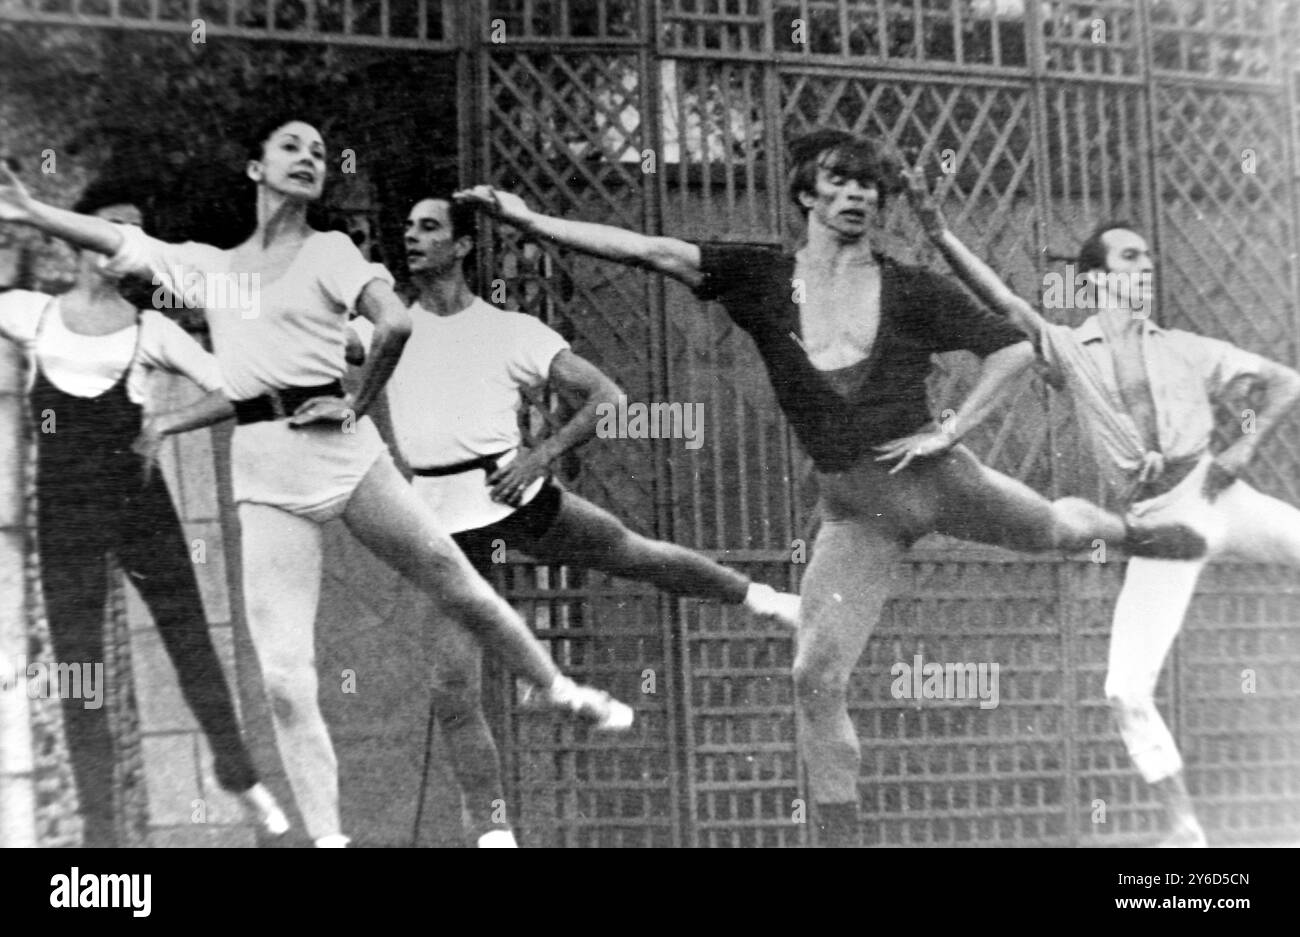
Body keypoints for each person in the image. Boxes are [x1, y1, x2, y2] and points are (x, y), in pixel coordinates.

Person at [455, 128, 1209, 847]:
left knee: (1059, 529)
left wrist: (952, 427)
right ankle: (840, 836)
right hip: (856, 515)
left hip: (943, 482)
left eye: (870, 187)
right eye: (841, 182)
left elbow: (1011, 348)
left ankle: (1137, 532)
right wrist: (530, 220)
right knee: (814, 675)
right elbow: (649, 250)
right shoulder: (758, 279)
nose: (858, 197)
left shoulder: (912, 289)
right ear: (807, 197)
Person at [0, 117, 633, 849]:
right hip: (266, 471)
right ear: (255, 168)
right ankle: (329, 841)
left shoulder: (331, 250)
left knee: (455, 581)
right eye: (291, 148)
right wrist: (30, 211)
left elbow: (392, 324)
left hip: (348, 454)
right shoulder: (213, 268)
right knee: (284, 681)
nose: (308, 158)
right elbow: (120, 242)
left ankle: (559, 687)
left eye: (320, 153)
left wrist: (356, 402)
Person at [349, 195, 800, 847]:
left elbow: (607, 397)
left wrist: (541, 454)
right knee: (452, 685)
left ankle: (761, 598)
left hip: (514, 493)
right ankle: (495, 832)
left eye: (428, 228)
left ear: (464, 246)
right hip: (441, 524)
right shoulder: (386, 329)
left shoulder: (509, 330)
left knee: (634, 553)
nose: (411, 238)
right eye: (408, 228)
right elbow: (305, 348)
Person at [902, 168, 1300, 847]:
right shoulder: (1067, 346)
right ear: (1093, 279)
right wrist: (938, 230)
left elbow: (1285, 381)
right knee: (1123, 687)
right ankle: (1184, 828)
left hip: (1219, 494)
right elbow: (999, 298)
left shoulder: (1184, 347)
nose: (1145, 268)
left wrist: (1240, 449)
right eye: (1129, 258)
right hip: (1158, 527)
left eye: (1148, 259)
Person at [0, 182, 286, 846]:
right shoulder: (29, 314)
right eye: (110, 227)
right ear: (76, 234)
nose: (121, 243)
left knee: (190, 637)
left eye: (135, 232)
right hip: (64, 511)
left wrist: (167, 420)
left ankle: (237, 772)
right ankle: (100, 832)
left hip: (138, 504)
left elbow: (246, 390)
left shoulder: (152, 329)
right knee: (80, 667)